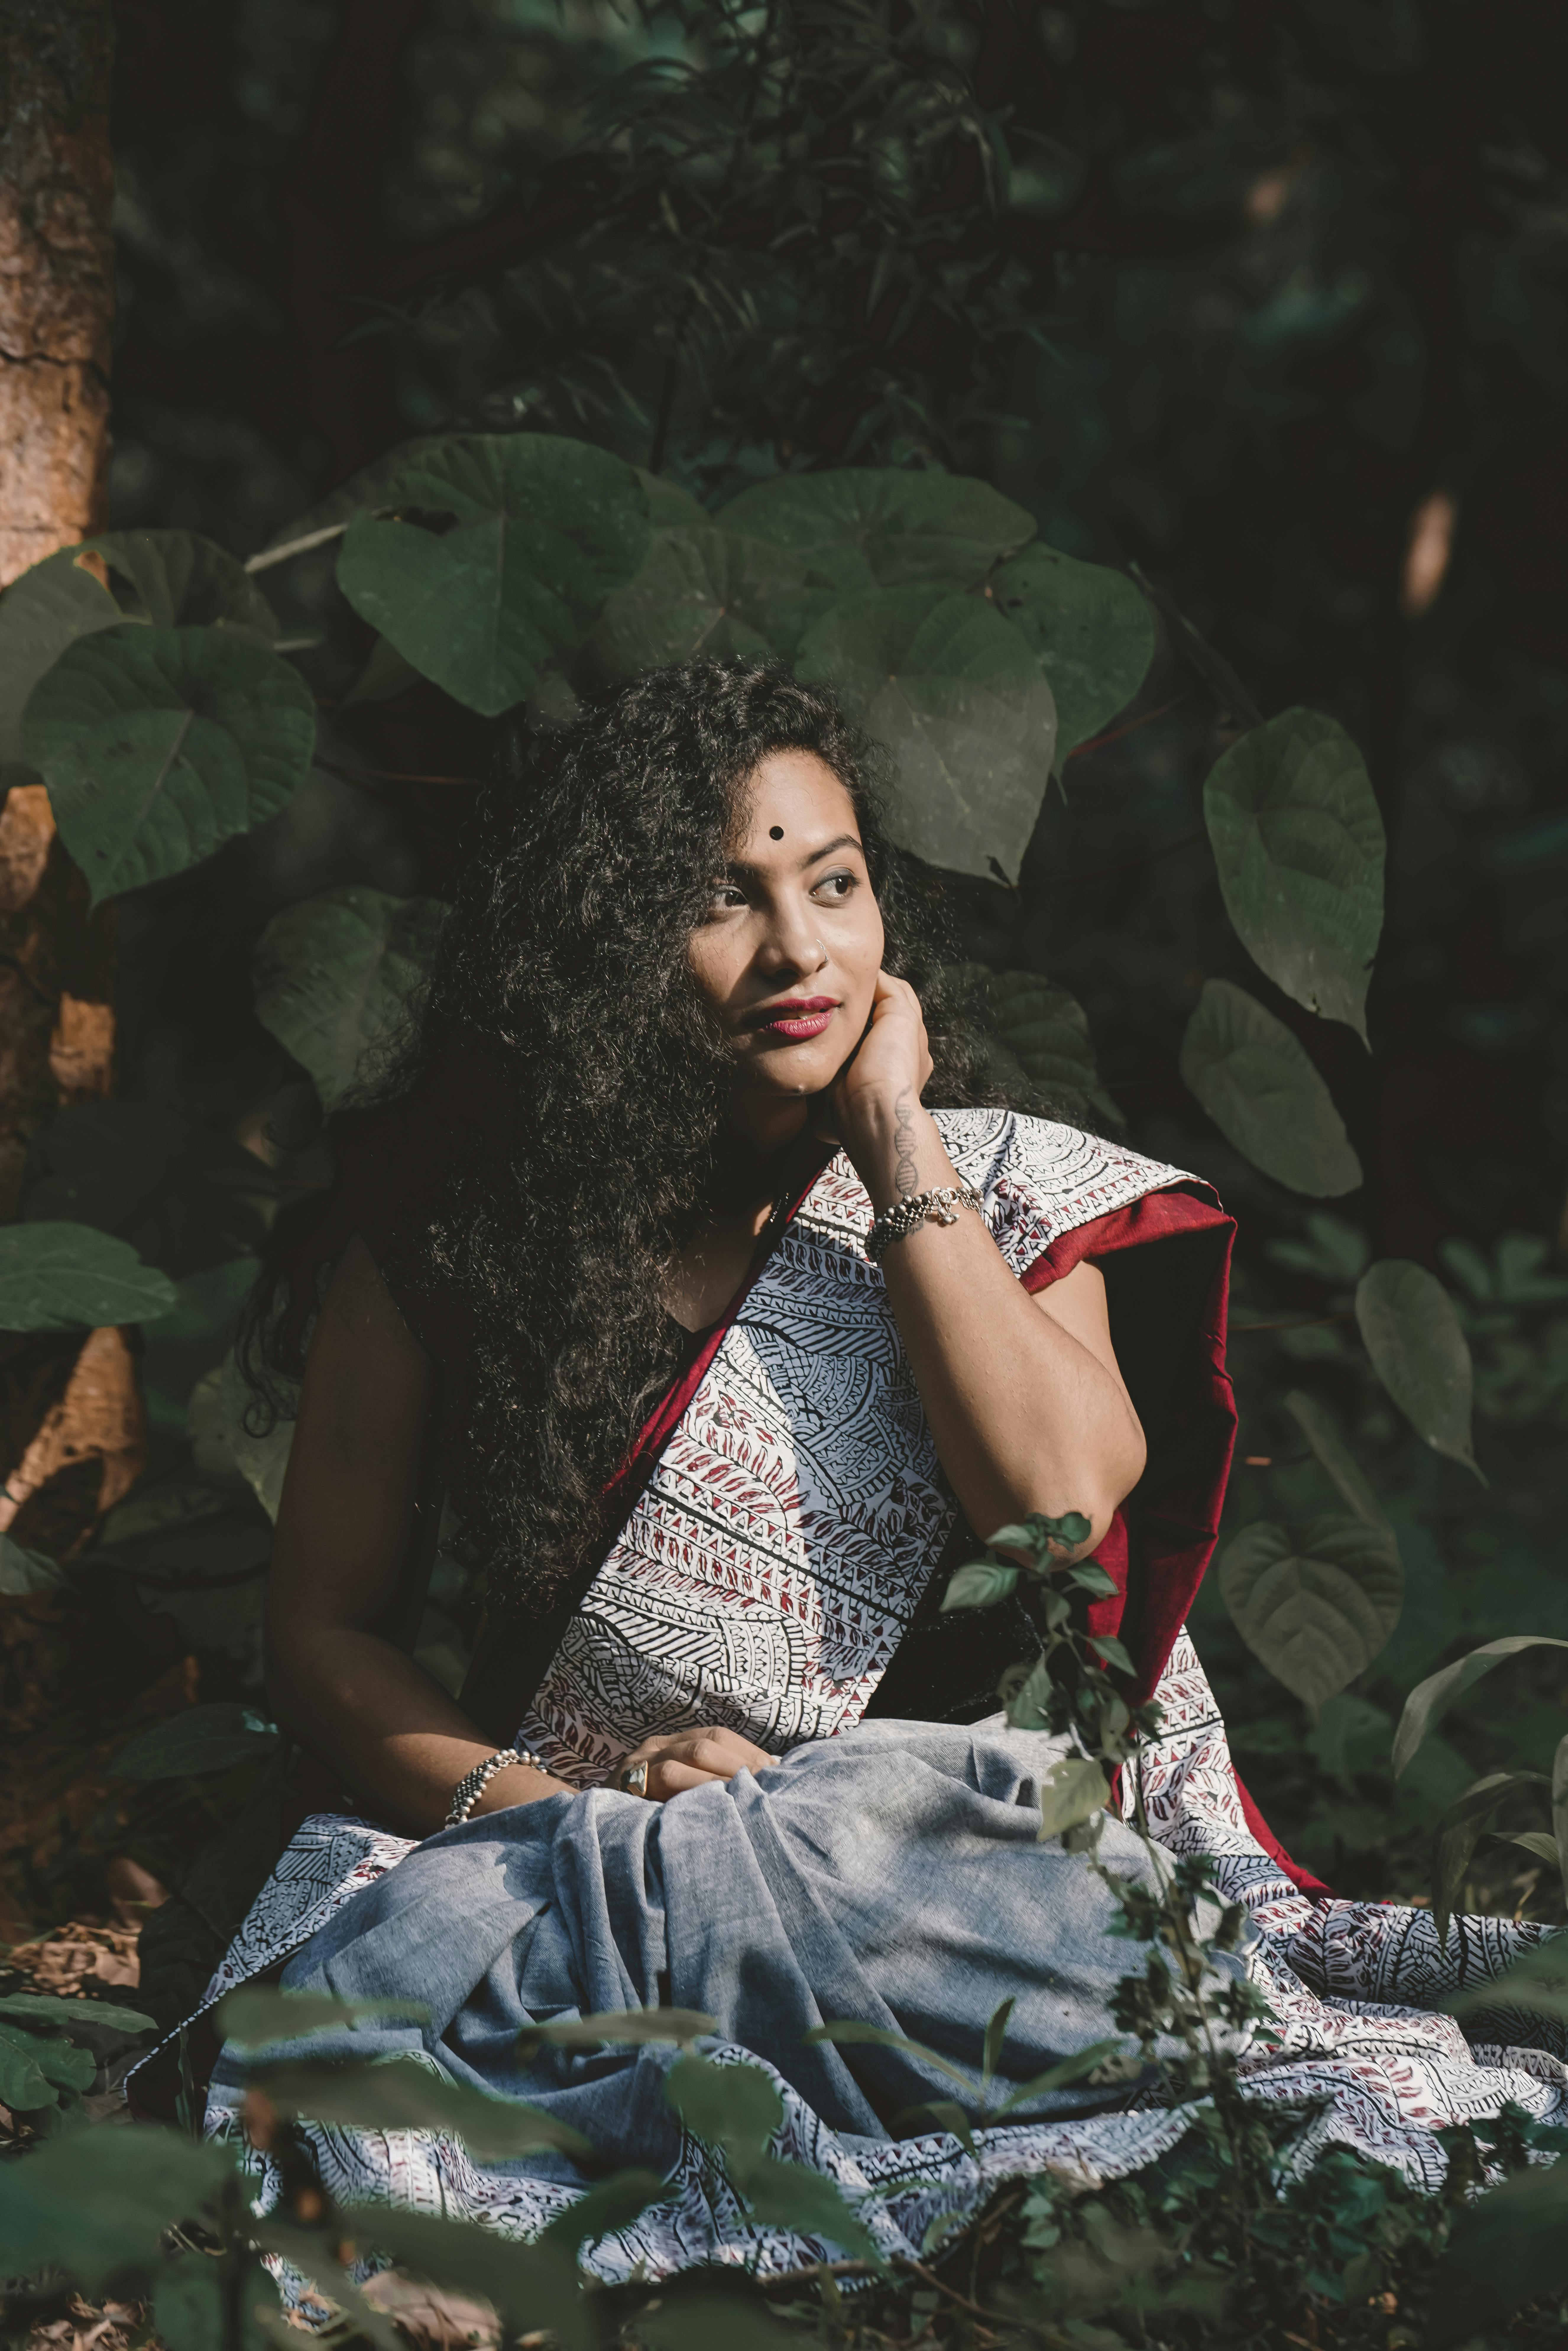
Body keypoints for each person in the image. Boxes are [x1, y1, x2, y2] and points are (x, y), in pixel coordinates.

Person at [164, 662, 1564, 2282]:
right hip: (583, 1862)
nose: (801, 950)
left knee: (925, 1894)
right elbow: (326, 1634)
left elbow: (1050, 1505)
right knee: (390, 2028)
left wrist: (894, 1140)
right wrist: (573, 1821)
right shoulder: (454, 1244)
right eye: (722, 901)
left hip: (940, 1880)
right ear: (603, 952)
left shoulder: (1003, 1193)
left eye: (832, 885)